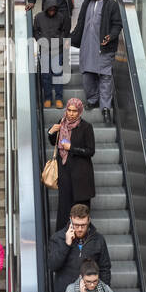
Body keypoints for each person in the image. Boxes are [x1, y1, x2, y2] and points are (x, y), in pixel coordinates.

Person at [47, 204, 112, 292]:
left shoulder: (98, 240)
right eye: (76, 225)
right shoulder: (58, 238)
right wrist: (66, 244)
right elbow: (53, 265)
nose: (80, 229)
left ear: (89, 220)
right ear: (71, 220)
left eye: (83, 225)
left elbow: (105, 268)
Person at [70, 0, 122, 122]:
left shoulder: (111, 5)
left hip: (104, 48)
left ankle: (105, 108)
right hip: (87, 46)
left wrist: (110, 36)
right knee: (87, 75)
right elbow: (81, 22)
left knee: (105, 77)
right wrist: (72, 38)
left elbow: (117, 24)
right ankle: (93, 99)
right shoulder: (87, 3)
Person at [48, 98, 94, 232]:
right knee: (64, 207)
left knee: (80, 209)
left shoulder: (86, 127)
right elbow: (53, 142)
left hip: (81, 175)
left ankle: (82, 236)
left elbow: (91, 151)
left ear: (79, 111)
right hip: (64, 171)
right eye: (69, 110)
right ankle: (63, 236)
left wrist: (71, 148)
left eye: (75, 111)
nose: (71, 113)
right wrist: (50, 132)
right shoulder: (61, 123)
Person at [31, 0, 70, 109]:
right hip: (44, 50)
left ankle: (58, 98)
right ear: (46, 8)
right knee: (45, 75)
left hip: (58, 49)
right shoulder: (38, 17)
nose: (52, 11)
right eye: (50, 9)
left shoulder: (61, 17)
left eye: (54, 9)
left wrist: (61, 41)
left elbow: (64, 30)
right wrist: (40, 40)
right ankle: (47, 98)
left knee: (58, 74)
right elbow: (35, 31)